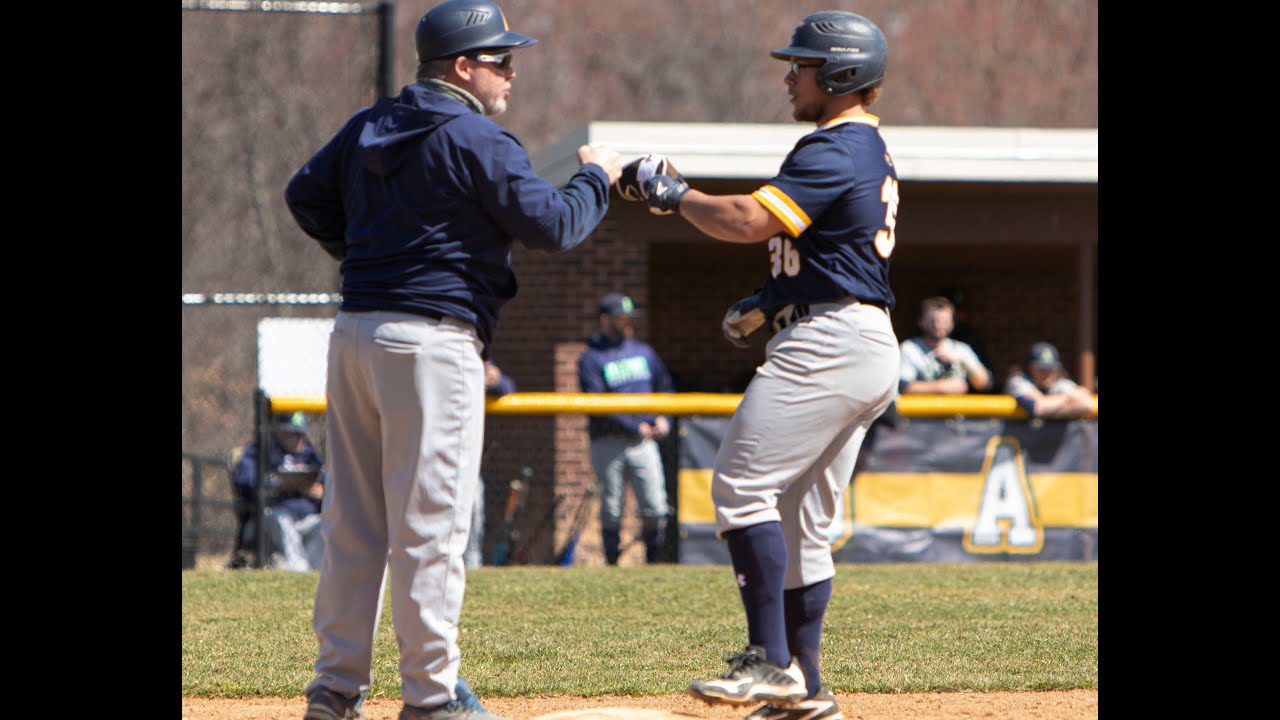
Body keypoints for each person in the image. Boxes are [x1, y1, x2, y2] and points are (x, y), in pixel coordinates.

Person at [282, 0, 622, 717]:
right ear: (462, 67)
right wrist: (596, 176)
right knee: (431, 530)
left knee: (354, 524)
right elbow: (556, 226)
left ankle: (335, 688)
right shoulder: (477, 135)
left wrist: (373, 255)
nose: (512, 72)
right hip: (431, 345)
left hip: (355, 334)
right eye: (500, 60)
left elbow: (304, 197)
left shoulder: (370, 123)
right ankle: (433, 698)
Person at [624, 11, 900, 720]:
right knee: (800, 518)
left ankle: (771, 664)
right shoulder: (859, 149)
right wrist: (773, 299)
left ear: (839, 75)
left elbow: (748, 219)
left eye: (802, 66)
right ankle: (807, 686)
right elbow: (836, 251)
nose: (789, 76)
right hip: (852, 335)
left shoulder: (834, 146)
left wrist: (672, 193)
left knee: (741, 486)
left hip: (831, 343)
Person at [577, 292, 674, 566]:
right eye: (621, 318)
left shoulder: (643, 352)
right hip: (608, 442)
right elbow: (597, 404)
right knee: (611, 508)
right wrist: (636, 424)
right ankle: (612, 565)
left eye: (629, 317)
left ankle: (653, 565)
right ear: (605, 319)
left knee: (655, 507)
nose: (627, 322)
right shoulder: (591, 358)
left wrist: (663, 417)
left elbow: (665, 388)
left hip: (643, 443)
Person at [231, 411, 327, 572]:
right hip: (272, 516)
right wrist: (277, 485)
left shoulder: (309, 455)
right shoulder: (261, 451)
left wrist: (321, 492)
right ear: (278, 430)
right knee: (281, 520)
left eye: (299, 434)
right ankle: (298, 571)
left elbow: (329, 483)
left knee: (326, 522)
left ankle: (314, 574)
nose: (295, 438)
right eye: (290, 433)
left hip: (308, 518)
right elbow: (245, 482)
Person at [464, 361, 517, 570]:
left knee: (474, 519)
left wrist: (494, 378)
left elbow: (508, 387)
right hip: (432, 460)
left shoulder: (473, 355)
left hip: (468, 464)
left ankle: (472, 569)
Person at [898, 295, 992, 395]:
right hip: (923, 410)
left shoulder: (961, 349)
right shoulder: (909, 349)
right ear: (921, 321)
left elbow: (984, 384)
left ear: (952, 323)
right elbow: (904, 387)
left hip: (955, 410)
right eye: (932, 320)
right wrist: (943, 387)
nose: (938, 325)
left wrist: (963, 361)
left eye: (944, 321)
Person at [1005, 341, 1096, 419]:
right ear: (1030, 368)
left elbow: (1088, 404)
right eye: (1041, 369)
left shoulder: (1060, 384)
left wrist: (1051, 410)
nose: (1047, 374)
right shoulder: (1018, 381)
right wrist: (1068, 397)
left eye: (1051, 369)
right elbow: (1038, 408)